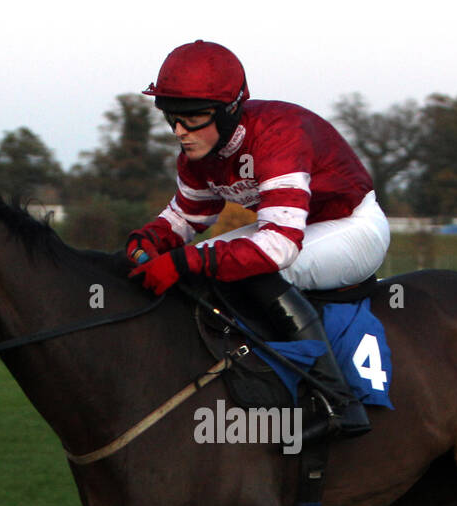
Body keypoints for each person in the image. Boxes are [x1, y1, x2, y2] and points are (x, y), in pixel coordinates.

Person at [126, 40, 390, 438]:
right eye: (172, 117)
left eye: (193, 117)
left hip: (353, 225)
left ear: (230, 109)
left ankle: (338, 402)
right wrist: (148, 241)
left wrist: (180, 262)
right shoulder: (199, 153)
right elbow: (186, 215)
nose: (180, 131)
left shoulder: (278, 134)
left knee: (246, 269)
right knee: (210, 265)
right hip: (301, 227)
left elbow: (279, 246)